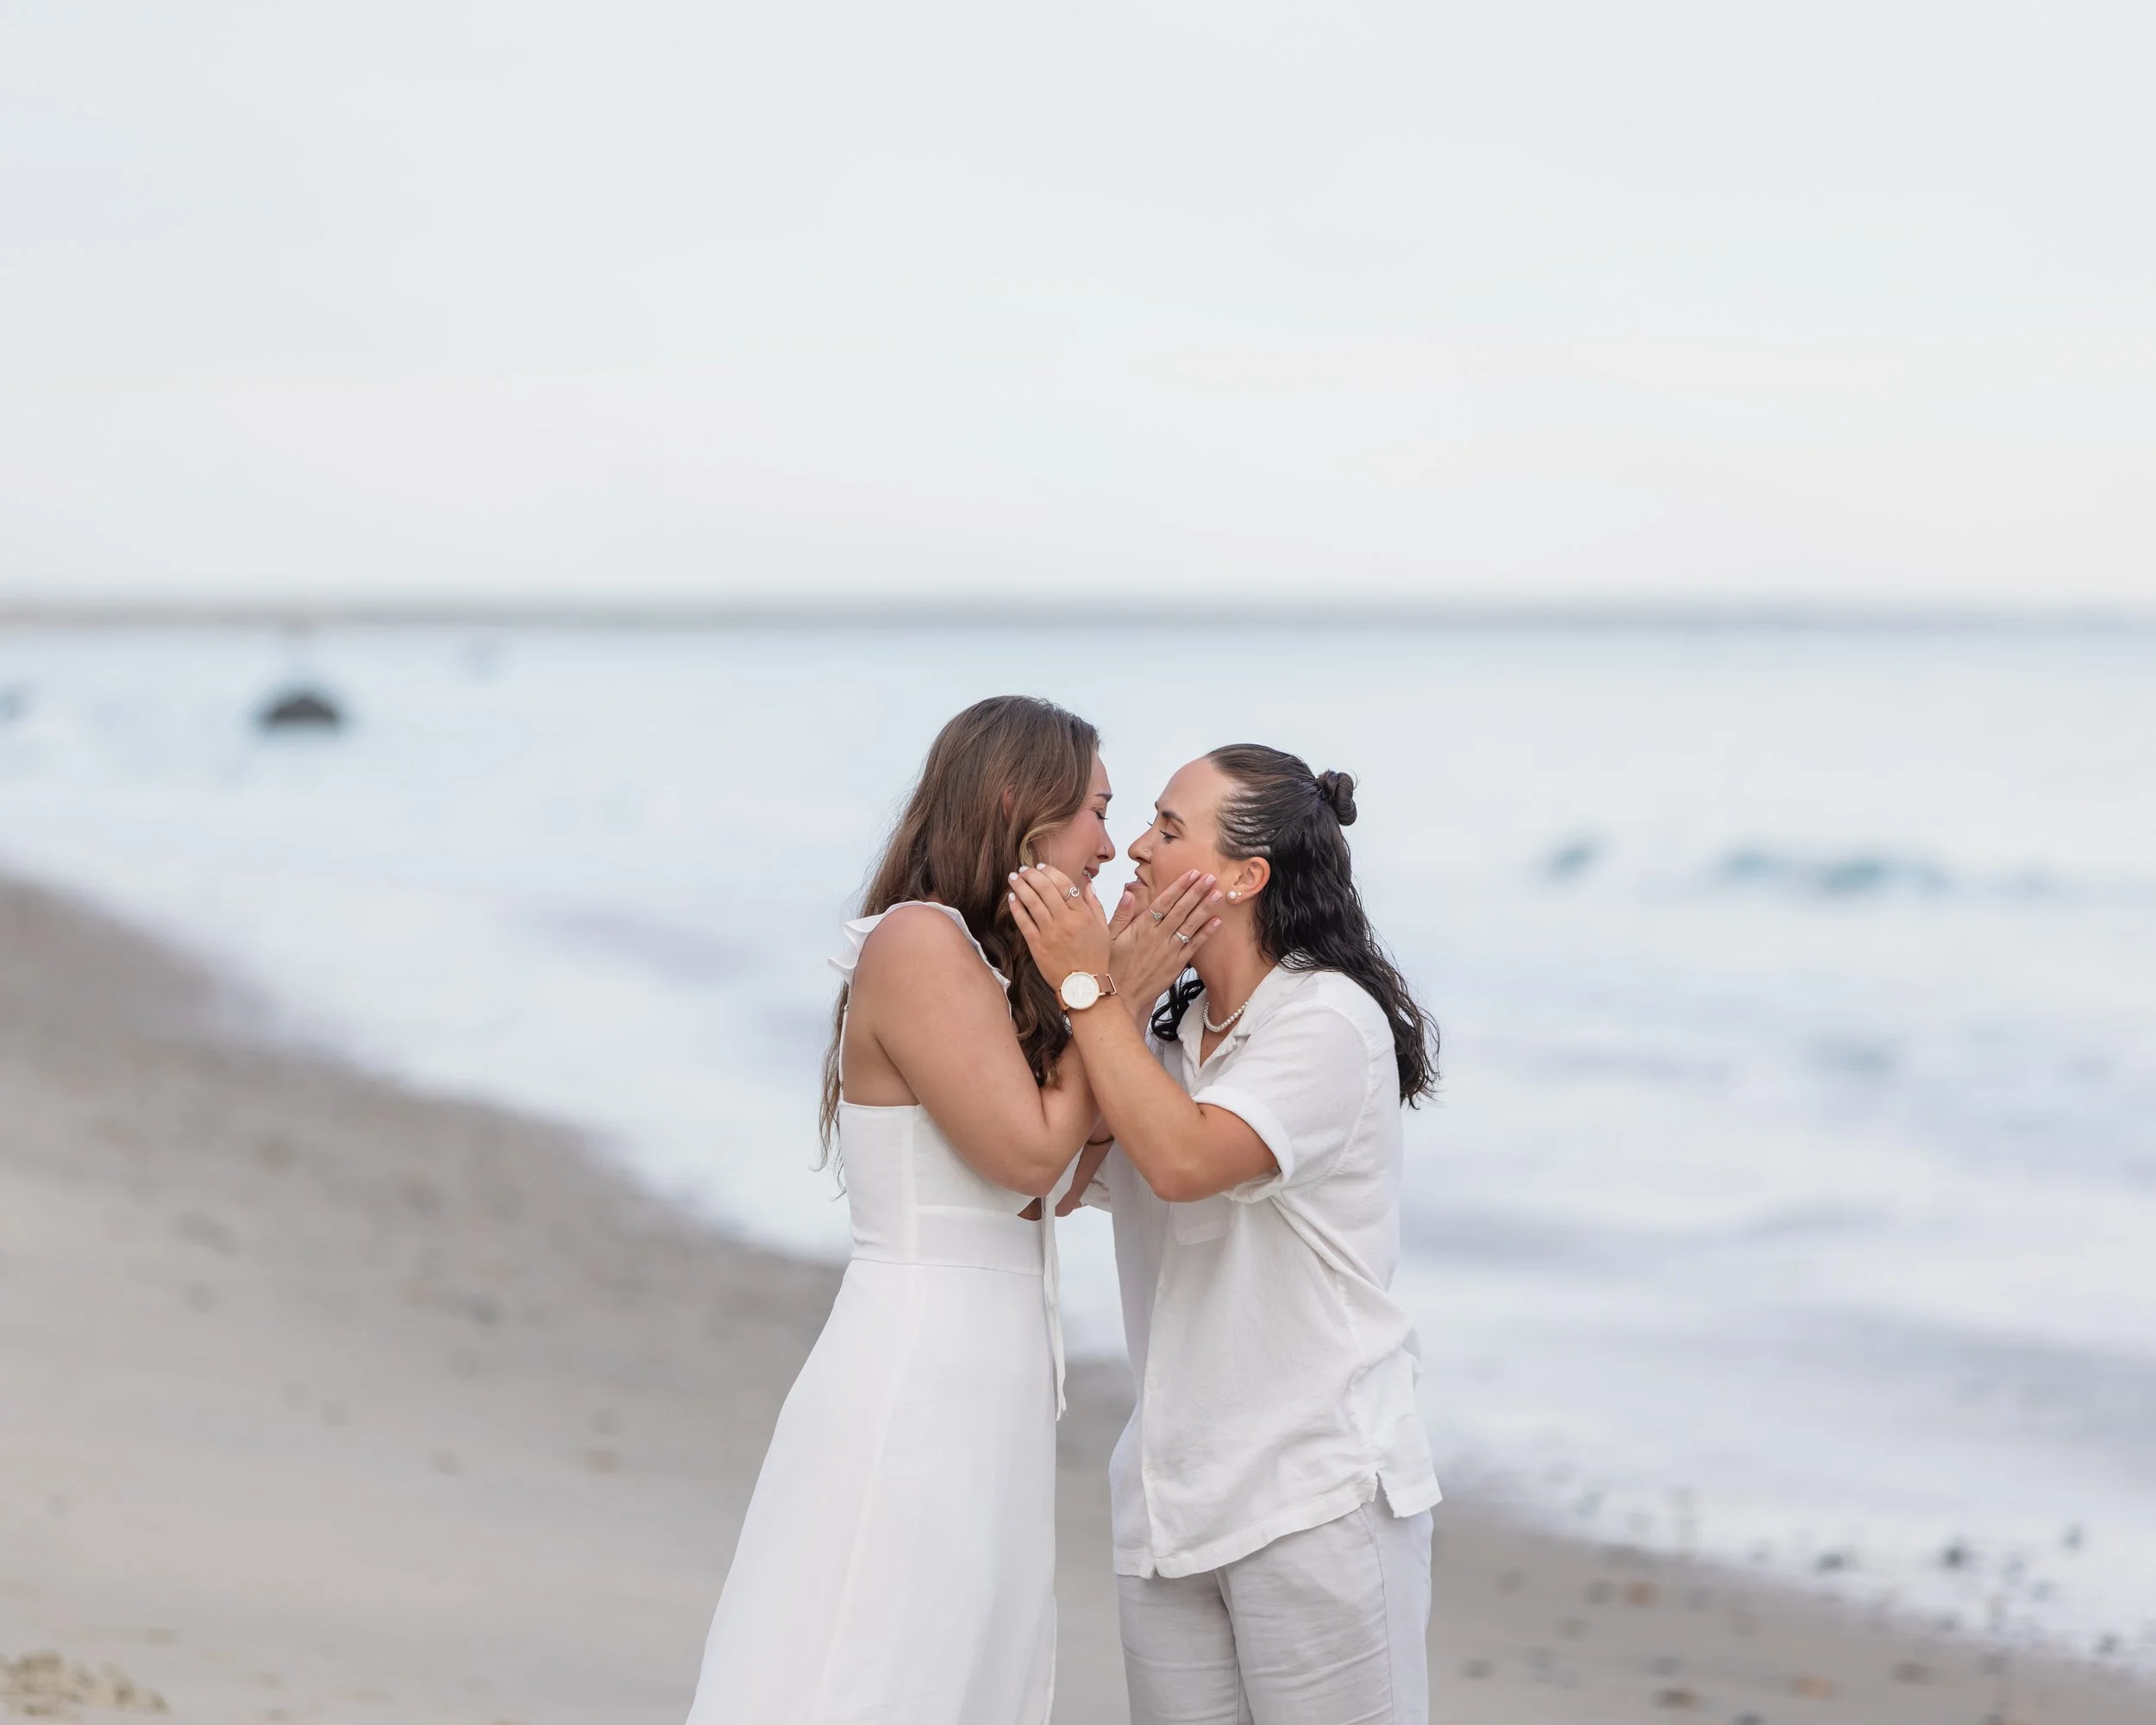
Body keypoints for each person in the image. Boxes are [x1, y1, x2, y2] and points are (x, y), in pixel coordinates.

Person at [683, 695, 1219, 1725]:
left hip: (990, 1373)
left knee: (957, 1665)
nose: (1109, 847)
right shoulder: (919, 941)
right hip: (918, 1370)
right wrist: (1098, 991)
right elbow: (1025, 1154)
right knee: (877, 1660)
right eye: (1096, 811)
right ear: (1021, 803)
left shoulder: (976, 959)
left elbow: (1057, 1176)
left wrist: (1108, 1000)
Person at [1008, 743, 1443, 1725]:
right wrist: (1101, 1000)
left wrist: (1088, 991)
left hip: (1314, 1496)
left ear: (1246, 875)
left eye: (1167, 829)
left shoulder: (1328, 1021)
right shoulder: (1162, 1030)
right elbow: (1054, 1177)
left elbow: (1185, 1159)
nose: (1133, 851)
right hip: (1168, 1496)